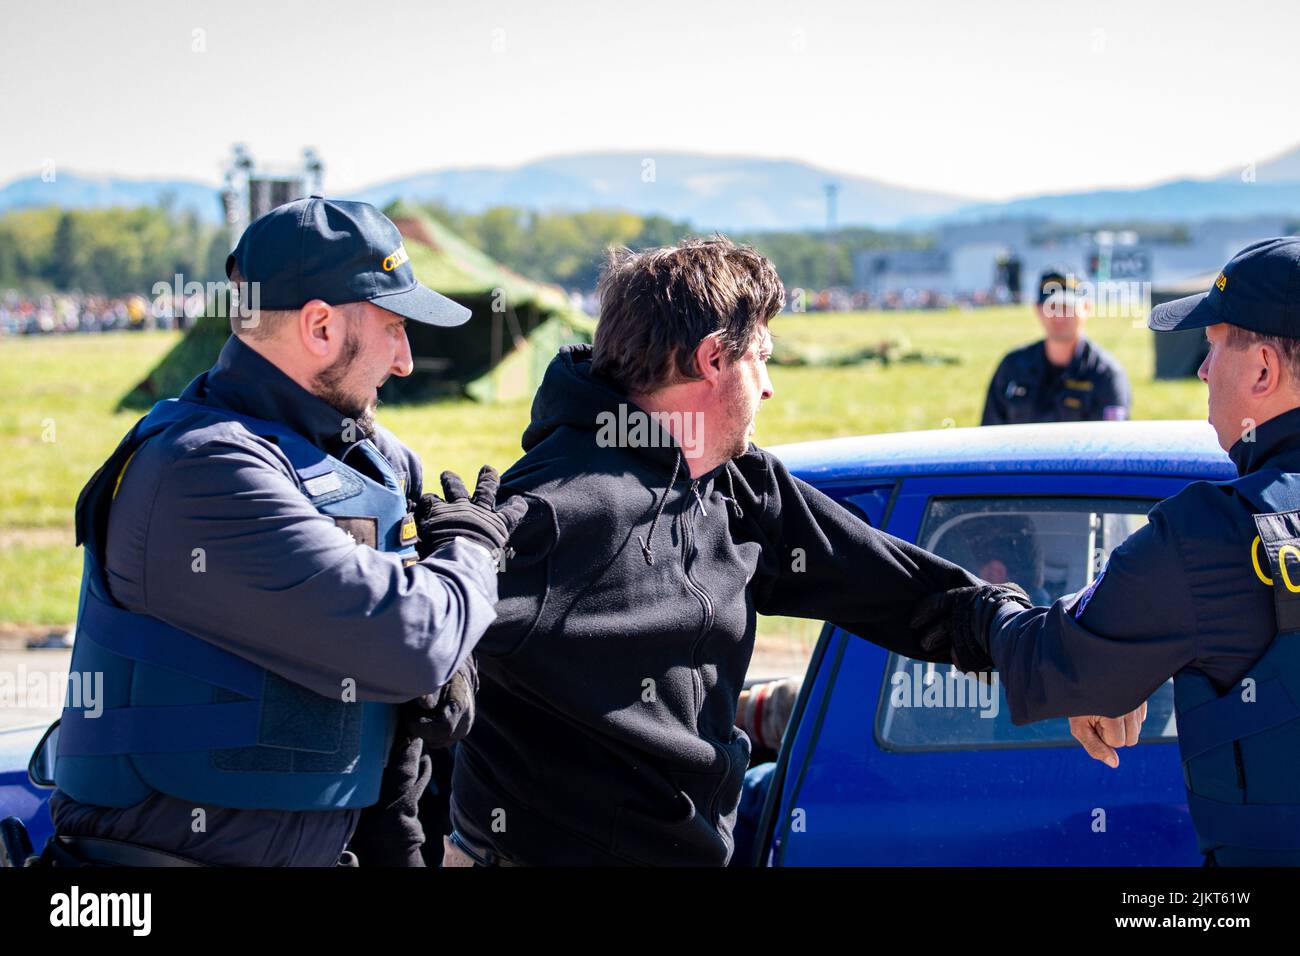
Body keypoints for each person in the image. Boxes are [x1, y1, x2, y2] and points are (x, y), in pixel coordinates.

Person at [441, 236, 1018, 867]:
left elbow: (902, 590)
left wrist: (1040, 655)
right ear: (714, 358)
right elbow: (409, 651)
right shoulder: (558, 506)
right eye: (761, 359)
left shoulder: (734, 486)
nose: (768, 388)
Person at [40, 197, 524, 867]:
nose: (406, 359)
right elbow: (409, 637)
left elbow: (422, 670)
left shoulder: (365, 457)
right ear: (321, 326)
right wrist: (473, 550)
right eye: (393, 327)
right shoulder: (202, 468)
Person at [916, 237, 1300, 866]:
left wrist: (991, 616)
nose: (1202, 370)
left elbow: (1052, 660)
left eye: (1212, 345)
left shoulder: (1209, 535)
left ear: (1262, 369)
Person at [981, 268, 1130, 425]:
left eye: (1067, 306)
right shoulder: (1012, 367)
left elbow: (1113, 441)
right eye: (1052, 306)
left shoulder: (1105, 374)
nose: (1059, 315)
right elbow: (989, 435)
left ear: (1086, 308)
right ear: (1038, 310)